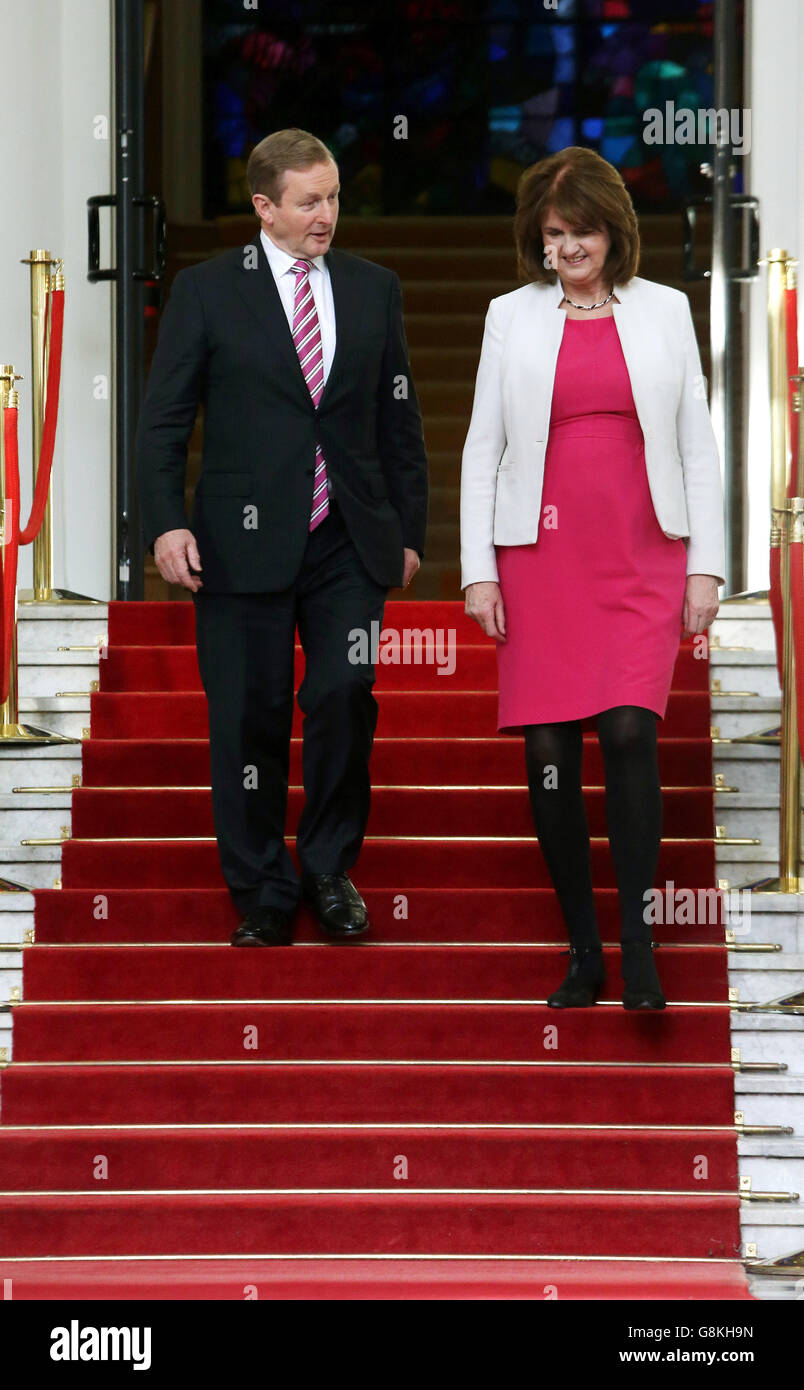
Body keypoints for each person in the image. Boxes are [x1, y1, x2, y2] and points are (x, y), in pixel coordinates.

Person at [135, 127, 428, 947]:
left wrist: (407, 528)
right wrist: (164, 522)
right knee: (247, 717)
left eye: (333, 196)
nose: (327, 214)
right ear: (264, 207)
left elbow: (397, 419)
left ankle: (329, 870)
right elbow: (162, 422)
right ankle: (262, 887)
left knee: (343, 694)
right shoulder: (206, 291)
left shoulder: (375, 289)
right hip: (236, 539)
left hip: (348, 539)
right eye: (309, 201)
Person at [460, 146, 725, 1011]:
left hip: (643, 547)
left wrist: (706, 566)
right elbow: (483, 447)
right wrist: (478, 572)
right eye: (556, 232)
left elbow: (695, 443)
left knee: (628, 732)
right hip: (538, 553)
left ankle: (640, 940)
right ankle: (584, 948)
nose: (570, 247)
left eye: (585, 231)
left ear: (616, 232)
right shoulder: (512, 315)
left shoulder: (666, 312)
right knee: (547, 751)